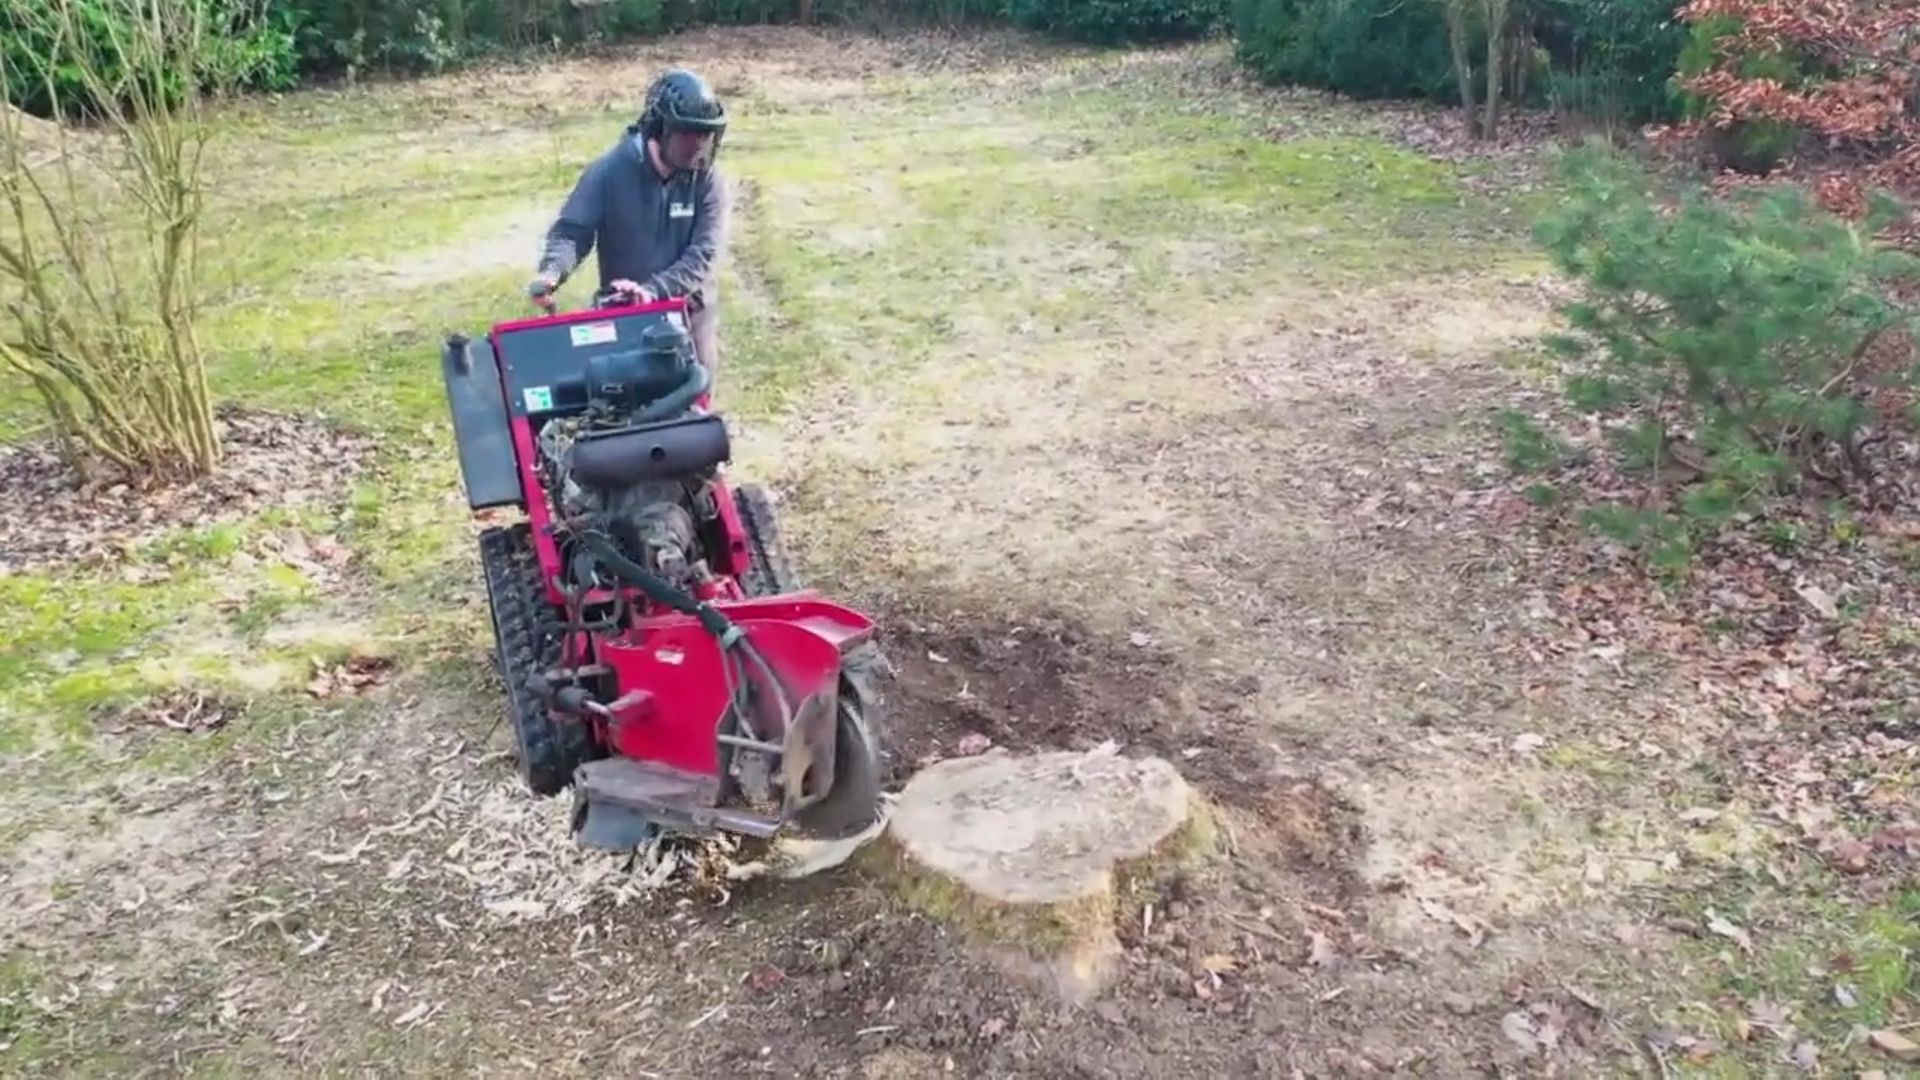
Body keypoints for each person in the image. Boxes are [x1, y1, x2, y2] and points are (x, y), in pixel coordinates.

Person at [528, 68, 731, 384]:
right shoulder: (609, 173)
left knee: (695, 408)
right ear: (660, 129)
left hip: (689, 315)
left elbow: (702, 256)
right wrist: (551, 272)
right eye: (689, 134)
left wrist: (652, 292)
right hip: (626, 317)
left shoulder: (707, 181)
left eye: (706, 135)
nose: (699, 145)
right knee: (623, 408)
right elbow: (573, 231)